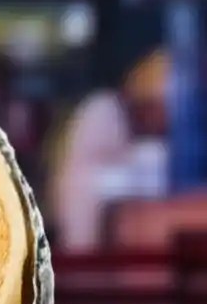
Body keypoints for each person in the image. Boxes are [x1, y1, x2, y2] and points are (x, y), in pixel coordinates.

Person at [48, 50, 169, 252]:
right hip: (84, 232)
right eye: (159, 109)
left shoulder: (127, 123)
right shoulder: (103, 110)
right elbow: (97, 180)